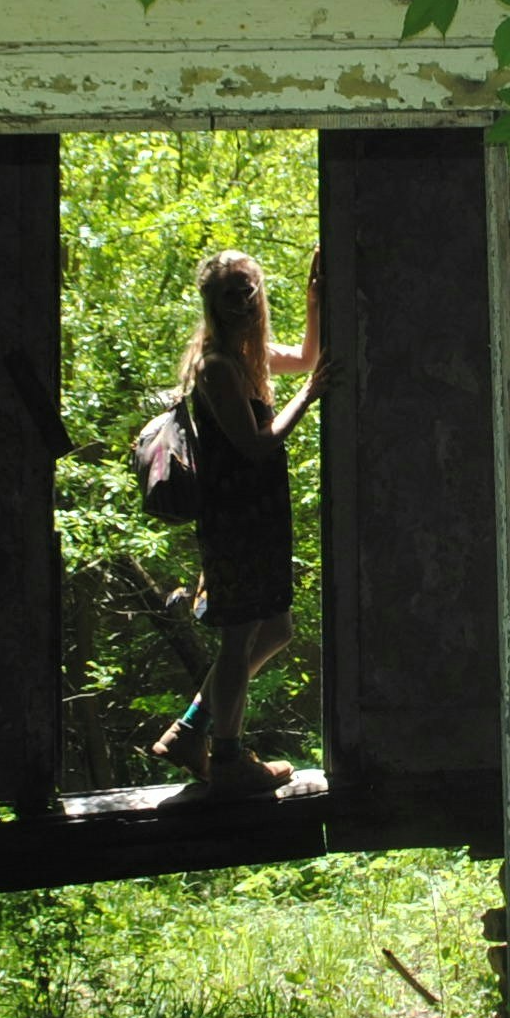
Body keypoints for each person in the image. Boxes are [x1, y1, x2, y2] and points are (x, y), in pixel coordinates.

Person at [149, 244, 324, 794]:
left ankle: (190, 730)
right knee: (239, 638)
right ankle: (227, 759)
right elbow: (255, 443)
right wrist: (308, 397)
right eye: (230, 295)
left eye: (248, 291)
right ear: (212, 303)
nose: (242, 303)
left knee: (275, 629)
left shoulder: (249, 355)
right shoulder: (218, 367)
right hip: (236, 522)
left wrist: (314, 301)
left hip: (258, 517)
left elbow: (306, 357)